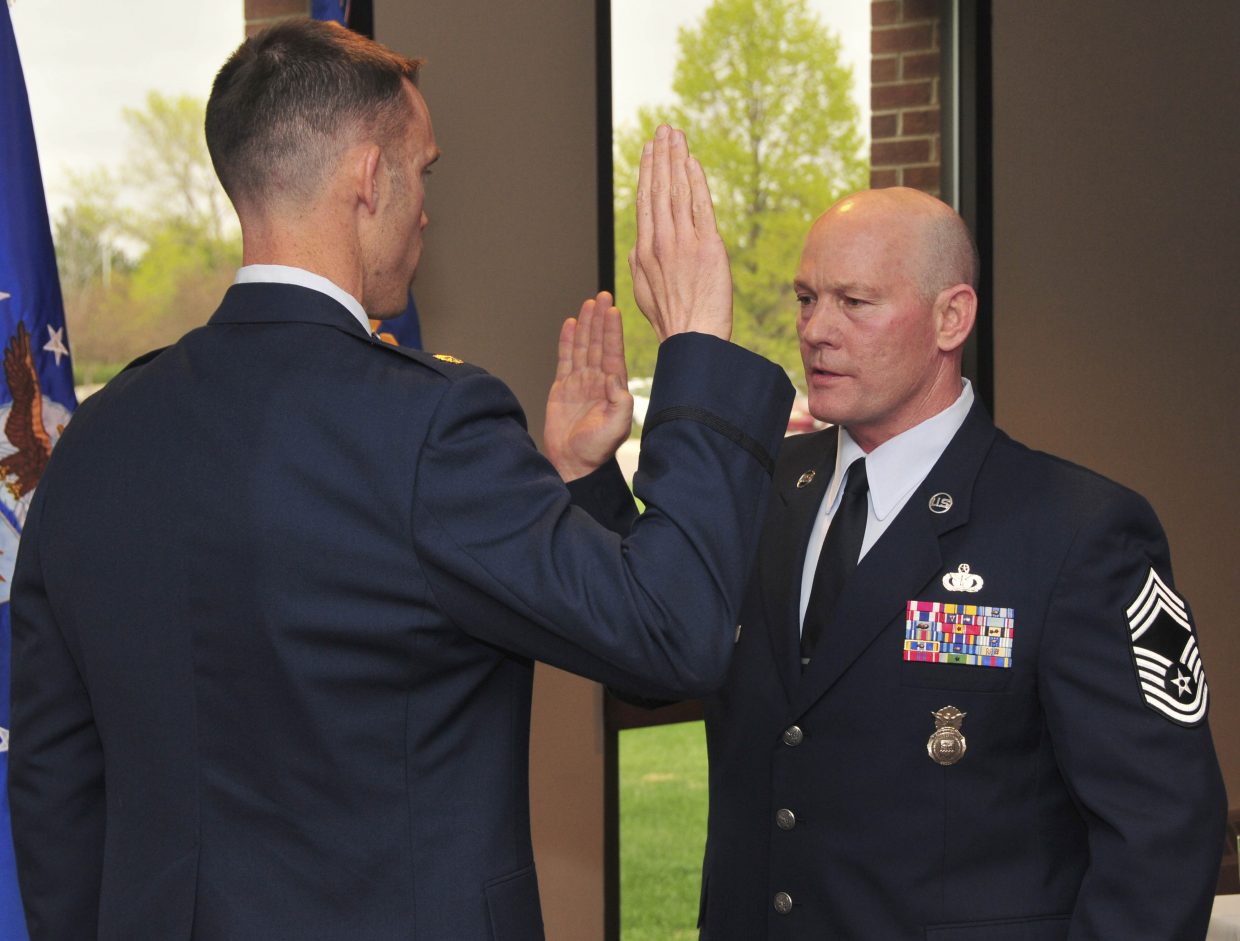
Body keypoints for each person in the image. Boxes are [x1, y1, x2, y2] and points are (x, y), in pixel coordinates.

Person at [7, 20, 794, 941]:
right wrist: (697, 343)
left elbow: (53, 783)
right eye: (424, 172)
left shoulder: (95, 437)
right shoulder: (427, 427)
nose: (426, 210)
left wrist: (579, 477)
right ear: (370, 177)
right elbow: (672, 634)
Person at [553, 186, 1228, 939]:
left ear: (951, 318)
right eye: (807, 298)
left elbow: (1162, 837)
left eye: (855, 302)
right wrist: (589, 479)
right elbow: (650, 664)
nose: (816, 330)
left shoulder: (1075, 531)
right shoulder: (759, 488)